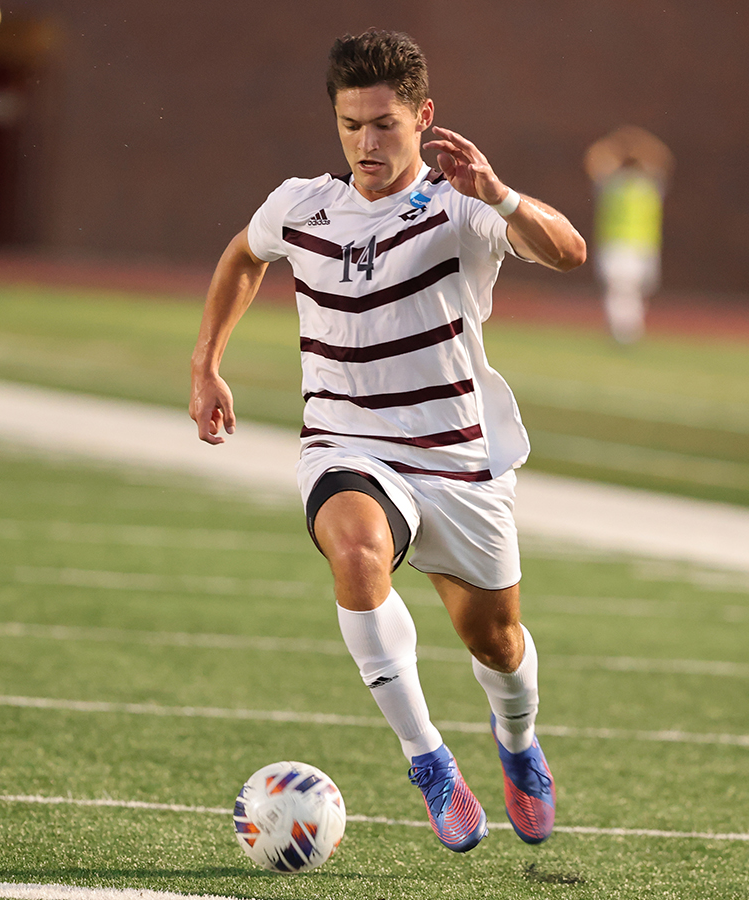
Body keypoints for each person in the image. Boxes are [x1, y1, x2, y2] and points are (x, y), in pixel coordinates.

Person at [188, 30, 585, 852]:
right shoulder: (301, 204)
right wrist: (206, 364)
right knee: (358, 554)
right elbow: (241, 256)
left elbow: (571, 251)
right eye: (350, 125)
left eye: (384, 125)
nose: (366, 144)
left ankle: (517, 746)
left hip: (457, 461)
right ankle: (430, 762)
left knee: (497, 642)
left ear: (423, 117)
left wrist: (503, 195)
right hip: (346, 448)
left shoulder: (461, 206)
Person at [584, 126, 673, 344]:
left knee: (630, 291)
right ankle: (625, 333)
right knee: (622, 291)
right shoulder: (645, 186)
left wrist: (621, 141)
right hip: (625, 246)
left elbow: (594, 159)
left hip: (637, 247)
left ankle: (625, 331)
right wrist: (639, 142)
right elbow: (664, 160)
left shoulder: (617, 185)